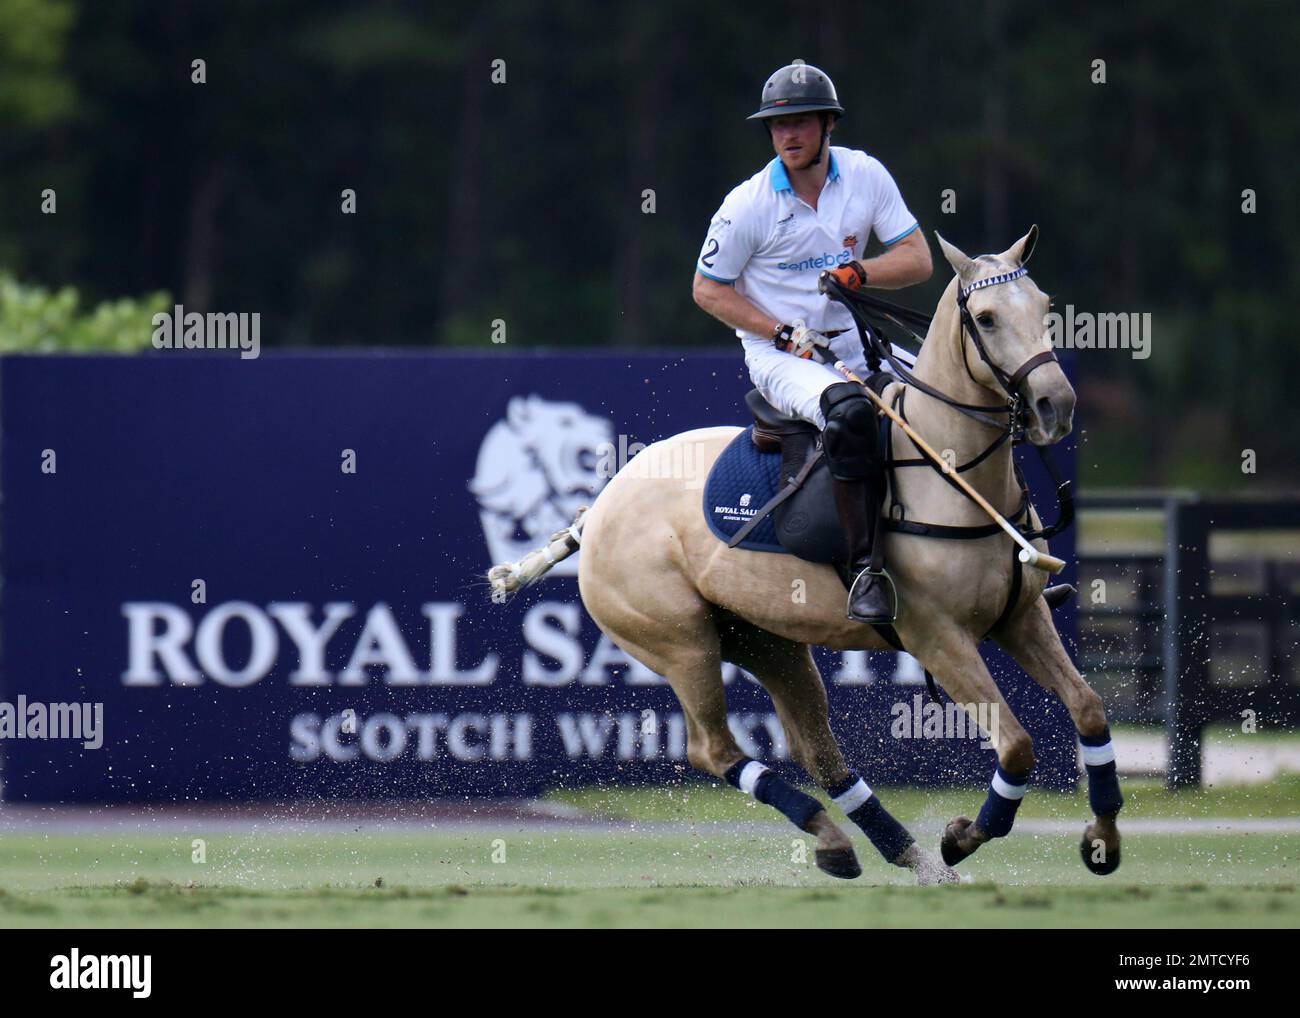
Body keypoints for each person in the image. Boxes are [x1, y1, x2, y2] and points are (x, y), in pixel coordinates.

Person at [692, 62, 932, 623]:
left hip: (857, 340)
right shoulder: (747, 205)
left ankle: (1001, 554)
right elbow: (707, 290)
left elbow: (918, 259)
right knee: (849, 414)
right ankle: (867, 570)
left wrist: (861, 274)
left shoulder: (866, 175)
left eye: (800, 122)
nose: (788, 136)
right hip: (781, 356)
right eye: (777, 126)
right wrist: (779, 331)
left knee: (944, 405)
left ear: (829, 125)